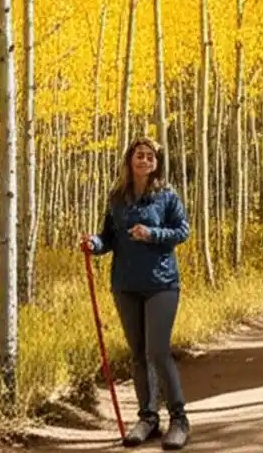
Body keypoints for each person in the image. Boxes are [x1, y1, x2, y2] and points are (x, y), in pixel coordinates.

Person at [79, 137, 191, 450]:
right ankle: (148, 417)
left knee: (157, 351)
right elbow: (108, 238)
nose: (143, 160)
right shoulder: (117, 197)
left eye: (150, 156)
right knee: (139, 353)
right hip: (125, 284)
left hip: (161, 283)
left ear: (157, 163)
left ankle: (179, 420)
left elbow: (183, 230)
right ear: (130, 161)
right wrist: (93, 245)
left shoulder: (167, 195)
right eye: (138, 155)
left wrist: (152, 233)